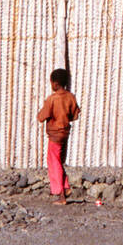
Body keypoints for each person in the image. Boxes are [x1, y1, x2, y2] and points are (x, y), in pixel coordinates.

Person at [37, 68, 80, 205]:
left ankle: (60, 194)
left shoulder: (52, 99)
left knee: (53, 162)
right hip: (65, 133)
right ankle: (66, 187)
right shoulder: (70, 97)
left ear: (55, 84)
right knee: (59, 161)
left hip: (54, 135)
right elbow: (74, 115)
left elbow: (41, 117)